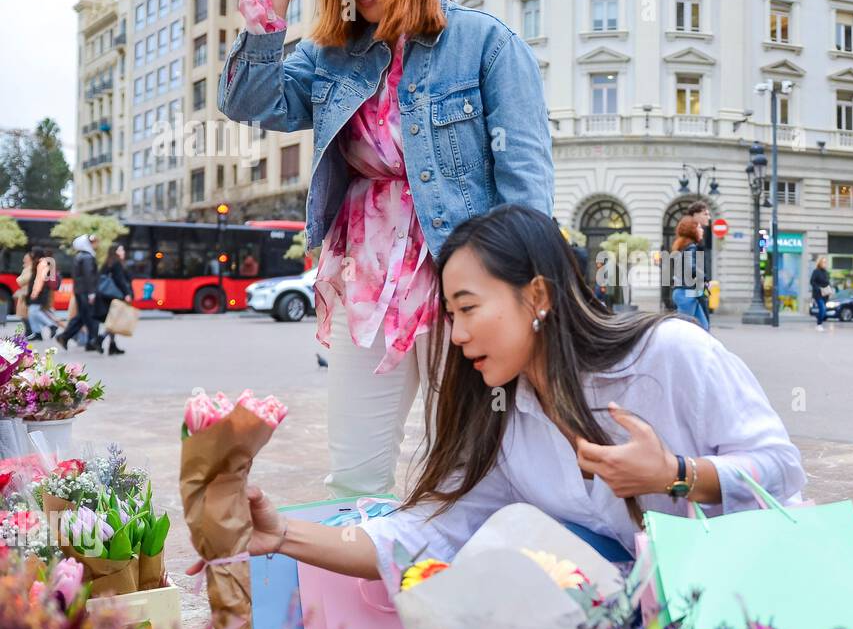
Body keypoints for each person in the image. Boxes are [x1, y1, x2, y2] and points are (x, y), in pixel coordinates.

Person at [190, 205, 807, 595]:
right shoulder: (500, 415)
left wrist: (675, 475)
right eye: (449, 314)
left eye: (467, 310)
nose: (455, 337)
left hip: (752, 600)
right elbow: (420, 537)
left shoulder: (669, 354)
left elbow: (781, 469)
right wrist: (280, 535)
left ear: (537, 296)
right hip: (646, 614)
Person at [218, 0, 553, 498]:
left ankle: (459, 591)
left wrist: (522, 302)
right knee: (355, 474)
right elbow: (247, 101)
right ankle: (361, 593)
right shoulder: (331, 55)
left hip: (464, 281)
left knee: (471, 473)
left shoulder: (486, 45)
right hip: (365, 284)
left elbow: (527, 191)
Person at [57, 235, 101, 354]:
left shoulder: (79, 256)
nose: (95, 244)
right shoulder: (87, 257)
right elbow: (89, 276)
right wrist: (92, 293)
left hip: (80, 291)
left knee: (82, 316)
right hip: (87, 292)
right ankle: (93, 340)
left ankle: (65, 337)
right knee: (92, 316)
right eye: (91, 242)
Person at [92, 244, 134, 356]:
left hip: (106, 296)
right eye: (121, 249)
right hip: (114, 296)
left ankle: (112, 345)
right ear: (115, 252)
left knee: (112, 320)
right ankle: (100, 339)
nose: (123, 251)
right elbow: (120, 280)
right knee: (114, 321)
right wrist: (127, 294)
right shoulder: (117, 264)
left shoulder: (108, 263)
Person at [669, 218, 709, 331]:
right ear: (692, 230)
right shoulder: (691, 248)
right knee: (684, 329)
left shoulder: (683, 247)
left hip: (687, 292)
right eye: (699, 227)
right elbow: (690, 266)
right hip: (685, 293)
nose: (702, 230)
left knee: (703, 327)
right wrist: (704, 278)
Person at [25, 247, 59, 342]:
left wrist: (35, 292)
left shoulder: (42, 263)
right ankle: (37, 333)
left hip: (40, 292)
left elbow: (40, 279)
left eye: (33, 252)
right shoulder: (40, 263)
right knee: (32, 313)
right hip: (39, 291)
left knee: (33, 311)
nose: (31, 254)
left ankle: (51, 325)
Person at [810, 256, 832, 331]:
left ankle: (819, 324)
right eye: (823, 262)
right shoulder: (816, 271)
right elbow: (812, 281)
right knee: (822, 308)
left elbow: (827, 282)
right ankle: (819, 324)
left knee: (824, 310)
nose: (824, 263)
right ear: (820, 263)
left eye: (825, 262)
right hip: (818, 294)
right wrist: (818, 288)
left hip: (825, 294)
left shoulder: (826, 272)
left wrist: (829, 289)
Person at [13, 252, 32, 337]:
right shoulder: (27, 268)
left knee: (24, 314)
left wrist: (19, 279)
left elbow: (22, 280)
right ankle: (29, 331)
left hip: (26, 293)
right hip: (24, 293)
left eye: (25, 258)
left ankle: (30, 331)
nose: (23, 260)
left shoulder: (30, 268)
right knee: (22, 314)